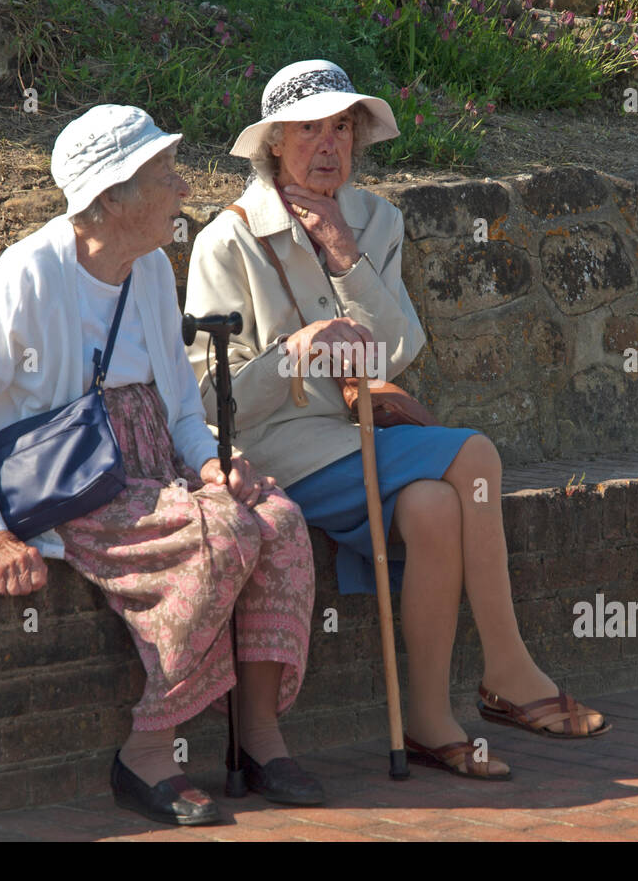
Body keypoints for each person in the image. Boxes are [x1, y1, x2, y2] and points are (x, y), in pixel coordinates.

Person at [185, 61, 610, 781]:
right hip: (278, 448)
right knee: (473, 454)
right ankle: (507, 668)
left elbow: (399, 351)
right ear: (274, 144)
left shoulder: (377, 220)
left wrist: (349, 256)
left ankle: (427, 720)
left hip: (359, 439)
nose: (330, 144)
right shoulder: (227, 242)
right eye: (310, 129)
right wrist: (295, 353)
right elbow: (207, 403)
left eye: (342, 126)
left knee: (435, 505)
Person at [0, 105, 322, 826]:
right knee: (222, 535)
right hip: (73, 488)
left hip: (154, 473)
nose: (182, 186)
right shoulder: (32, 274)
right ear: (111, 197)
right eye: (164, 174)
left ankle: (259, 737)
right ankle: (149, 750)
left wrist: (211, 467)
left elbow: (180, 407)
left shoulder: (152, 271)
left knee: (281, 521)